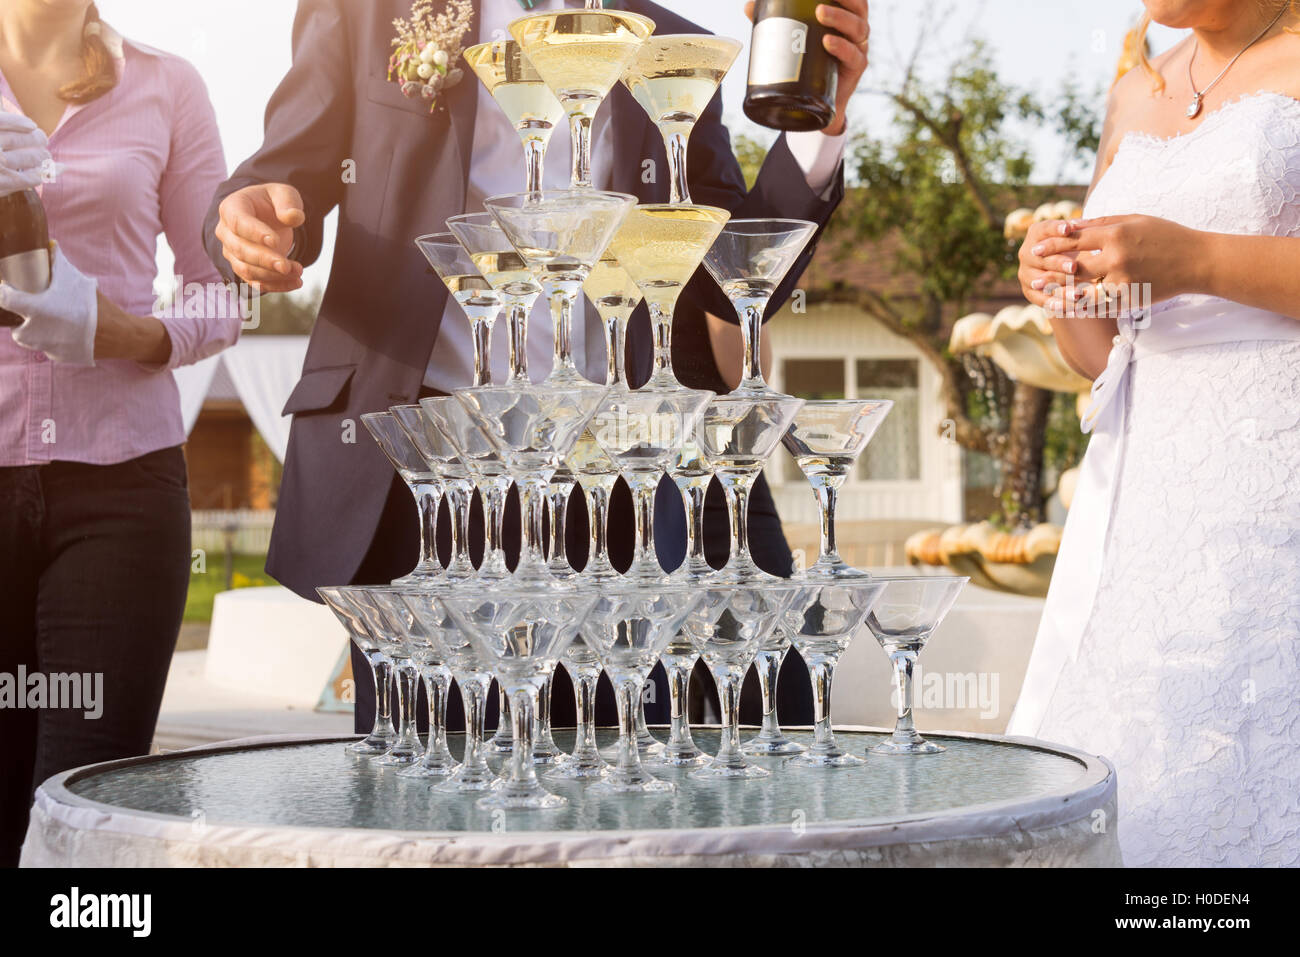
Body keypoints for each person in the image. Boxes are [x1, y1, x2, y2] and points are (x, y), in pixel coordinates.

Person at [205, 0, 870, 733]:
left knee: (601, 764)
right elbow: (283, 171)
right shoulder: (369, 10)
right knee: (421, 774)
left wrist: (820, 127)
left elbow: (722, 276)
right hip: (425, 466)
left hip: (610, 479)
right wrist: (248, 217)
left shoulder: (672, 44)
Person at [1008, 0, 1300, 866]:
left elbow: (1185, 264)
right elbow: (1101, 354)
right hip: (1144, 509)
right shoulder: (1137, 84)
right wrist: (1061, 283)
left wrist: (1197, 261)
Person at [0, 1, 239, 866]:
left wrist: (125, 332)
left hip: (121, 494)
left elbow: (222, 290)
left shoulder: (168, 87)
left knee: (88, 815)